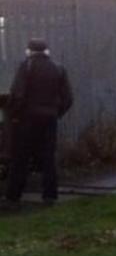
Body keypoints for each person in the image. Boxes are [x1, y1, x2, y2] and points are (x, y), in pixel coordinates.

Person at [4, 39, 73, 209]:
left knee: (21, 157)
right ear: (46, 51)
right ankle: (49, 195)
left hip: (27, 119)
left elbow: (17, 94)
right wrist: (57, 113)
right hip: (49, 119)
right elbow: (68, 98)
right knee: (48, 157)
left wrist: (14, 115)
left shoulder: (25, 66)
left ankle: (14, 195)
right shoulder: (59, 68)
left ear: (29, 51)